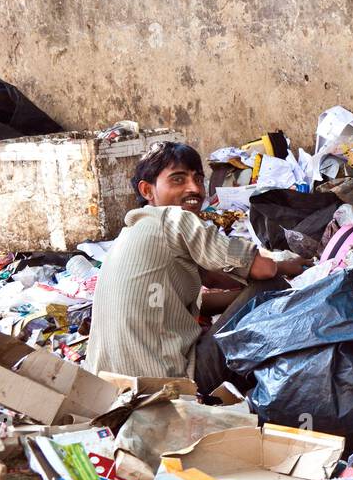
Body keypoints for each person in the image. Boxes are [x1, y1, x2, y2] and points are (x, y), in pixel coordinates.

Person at [87, 142, 306, 386]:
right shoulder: (173, 218)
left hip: (109, 392)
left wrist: (242, 293)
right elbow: (264, 270)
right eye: (178, 180)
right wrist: (290, 267)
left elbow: (209, 281)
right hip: (174, 387)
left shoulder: (130, 235)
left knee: (250, 295)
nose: (194, 189)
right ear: (147, 190)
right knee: (270, 287)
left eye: (198, 179)